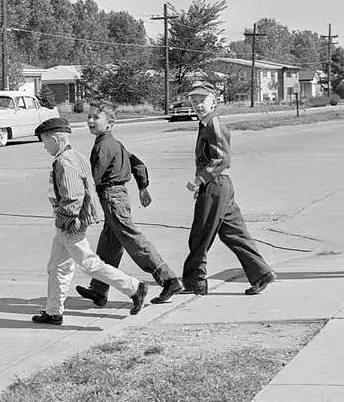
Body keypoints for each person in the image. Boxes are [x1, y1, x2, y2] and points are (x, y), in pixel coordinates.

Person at [32, 117, 148, 326]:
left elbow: (73, 197)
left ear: (55, 139)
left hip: (70, 224)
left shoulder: (63, 162)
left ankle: (133, 287)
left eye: (45, 142)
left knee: (89, 264)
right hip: (74, 222)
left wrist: (63, 221)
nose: (44, 146)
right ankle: (53, 311)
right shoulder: (77, 156)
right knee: (57, 266)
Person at [75, 101, 183, 308]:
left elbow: (92, 179)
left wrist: (81, 204)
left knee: (132, 239)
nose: (90, 121)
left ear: (110, 123)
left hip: (112, 197)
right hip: (117, 197)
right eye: (88, 117)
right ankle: (99, 290)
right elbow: (138, 164)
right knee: (109, 245)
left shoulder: (103, 146)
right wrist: (143, 187)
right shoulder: (115, 144)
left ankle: (169, 279)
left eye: (96, 117)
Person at [182, 82, 276, 295]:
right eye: (194, 101)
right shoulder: (206, 124)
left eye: (202, 101)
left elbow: (222, 159)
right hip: (218, 185)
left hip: (216, 185)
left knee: (200, 235)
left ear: (214, 101)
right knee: (234, 233)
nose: (197, 105)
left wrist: (200, 180)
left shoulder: (214, 125)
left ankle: (195, 282)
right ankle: (261, 273)